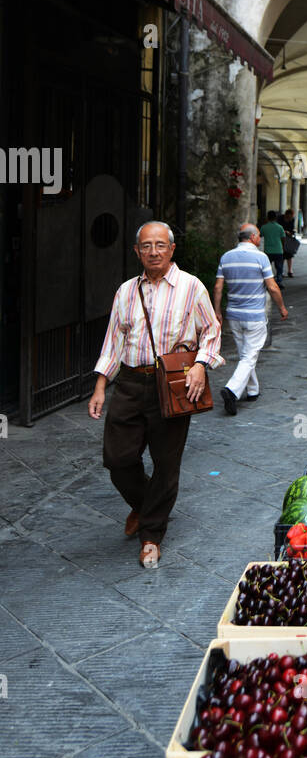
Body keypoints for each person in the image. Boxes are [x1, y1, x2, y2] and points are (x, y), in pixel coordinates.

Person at [88, 221, 223, 570]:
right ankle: (147, 505)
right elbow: (113, 341)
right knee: (117, 459)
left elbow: (211, 330)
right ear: (137, 251)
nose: (153, 251)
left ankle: (151, 535)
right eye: (146, 246)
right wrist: (101, 385)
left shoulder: (191, 288)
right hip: (131, 383)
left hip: (174, 383)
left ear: (171, 249)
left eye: (160, 245)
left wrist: (200, 366)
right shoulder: (126, 292)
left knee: (166, 463)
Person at [213, 223, 288, 414]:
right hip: (254, 316)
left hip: (234, 315)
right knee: (249, 356)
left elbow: (218, 288)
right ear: (253, 237)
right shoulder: (260, 257)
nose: (259, 239)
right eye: (259, 236)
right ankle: (231, 390)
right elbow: (272, 287)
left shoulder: (226, 257)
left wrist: (217, 311)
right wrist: (281, 307)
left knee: (246, 355)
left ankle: (253, 391)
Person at [260, 210, 285, 285]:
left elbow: (260, 235)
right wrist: (282, 247)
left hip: (268, 250)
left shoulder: (264, 227)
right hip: (278, 250)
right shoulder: (280, 227)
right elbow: (283, 238)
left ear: (267, 217)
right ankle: (279, 281)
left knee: (267, 267)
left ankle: (268, 281)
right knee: (279, 268)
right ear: (275, 218)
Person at [280, 210, 298, 278]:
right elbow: (279, 227)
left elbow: (292, 229)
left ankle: (290, 270)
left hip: (288, 238)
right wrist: (284, 231)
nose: (291, 217)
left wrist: (290, 232)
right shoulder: (280, 218)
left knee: (289, 255)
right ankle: (281, 271)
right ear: (287, 214)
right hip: (281, 238)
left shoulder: (292, 220)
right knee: (282, 256)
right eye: (291, 215)